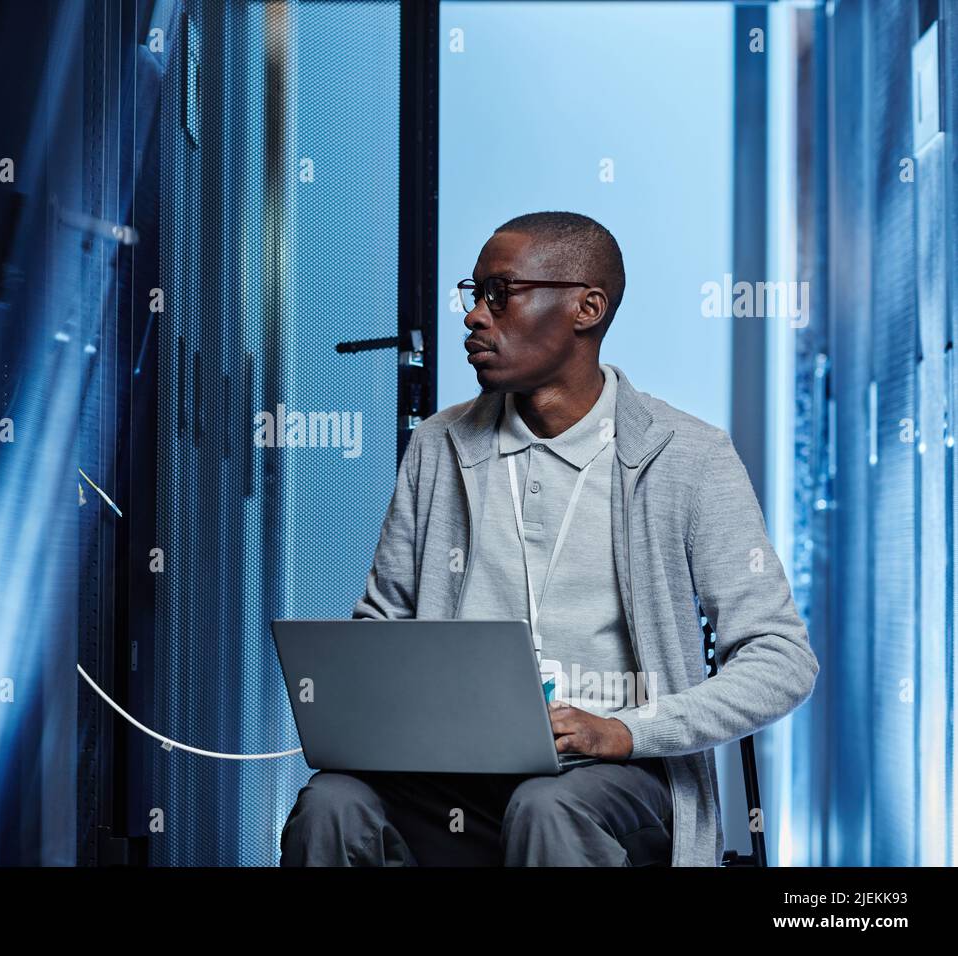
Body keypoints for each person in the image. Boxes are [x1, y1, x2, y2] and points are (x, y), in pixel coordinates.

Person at [279, 211, 819, 866]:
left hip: (608, 780)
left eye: (499, 294)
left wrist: (624, 731)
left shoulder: (688, 457)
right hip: (449, 776)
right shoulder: (438, 446)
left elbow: (781, 658)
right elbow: (382, 627)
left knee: (546, 807)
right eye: (472, 295)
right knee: (331, 804)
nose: (475, 317)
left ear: (586, 307)